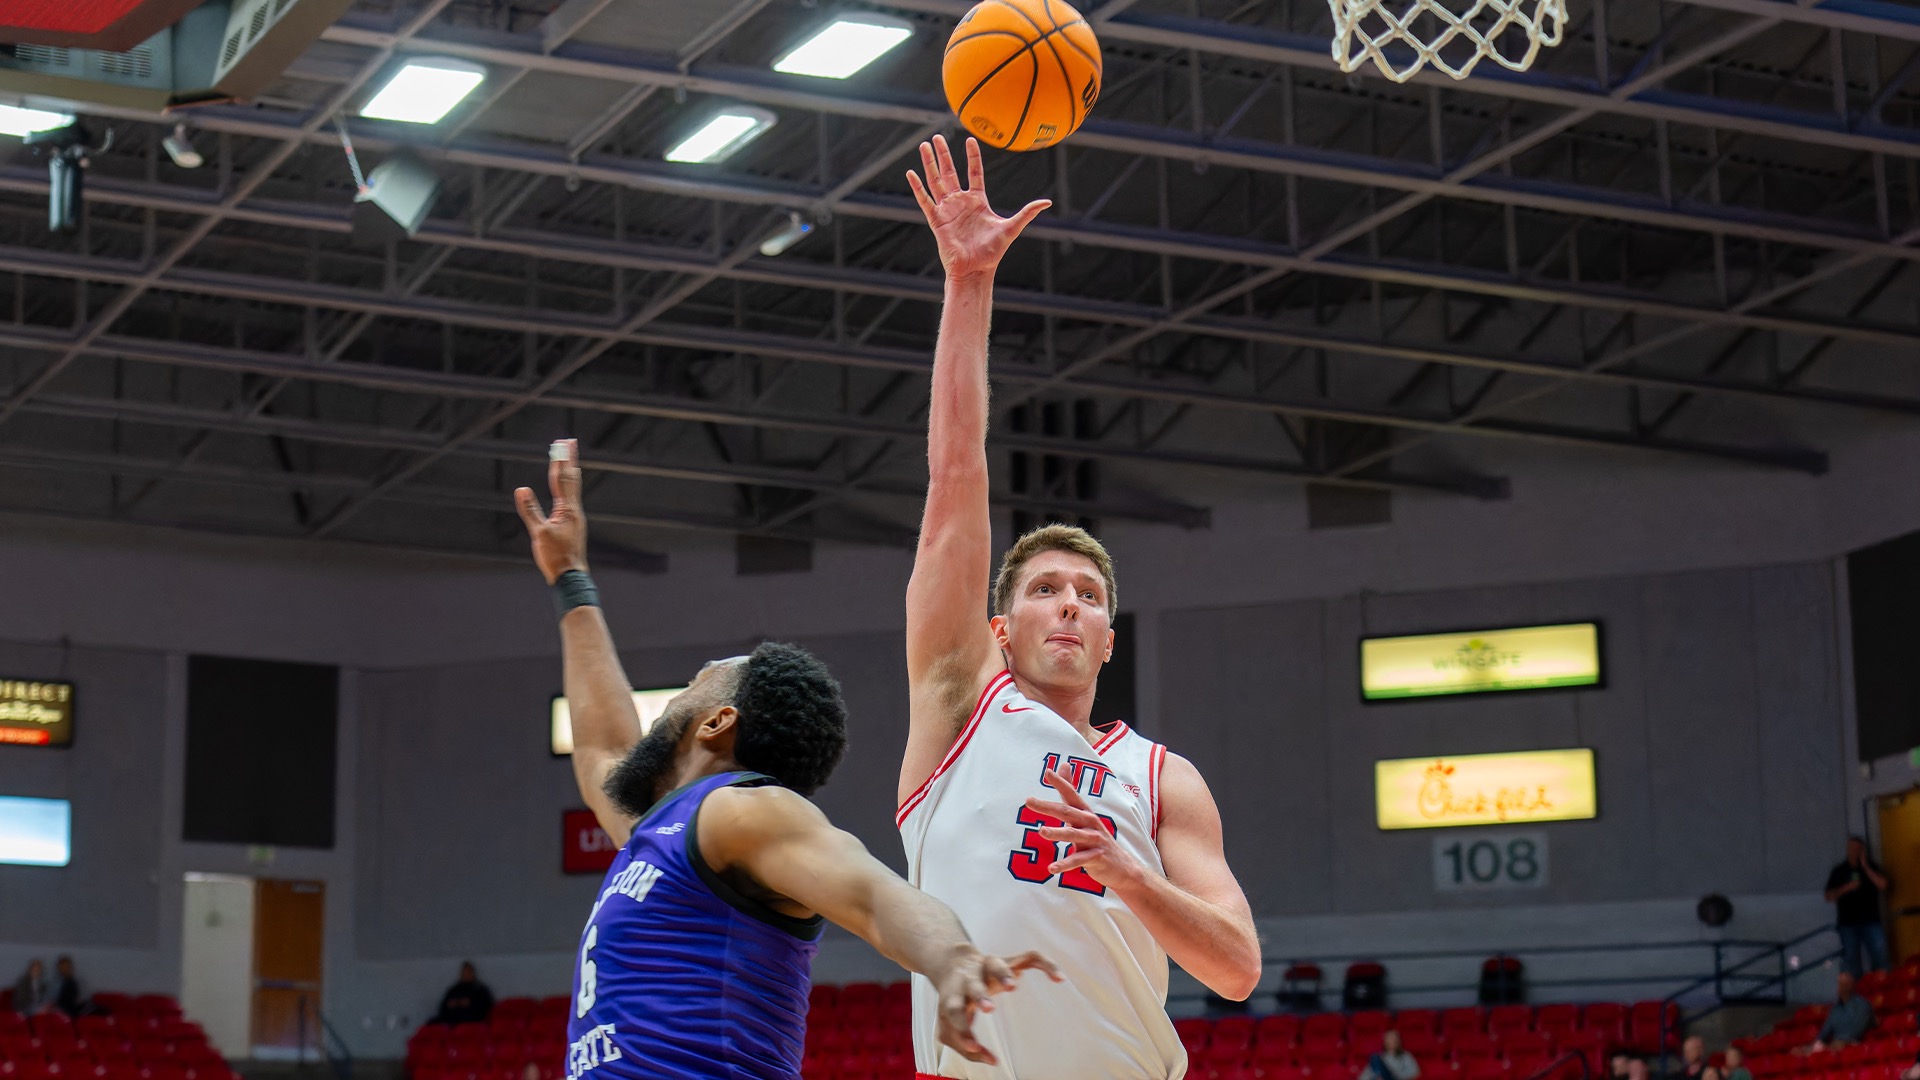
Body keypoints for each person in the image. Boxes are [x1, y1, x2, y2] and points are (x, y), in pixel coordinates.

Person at [514, 440, 1059, 1080]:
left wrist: (951, 957)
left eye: (693, 684)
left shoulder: (744, 815)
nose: (664, 708)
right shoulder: (661, 832)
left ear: (717, 723)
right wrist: (570, 578)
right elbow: (601, 747)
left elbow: (873, 895)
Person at [898, 133, 1262, 1079]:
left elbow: (1235, 969)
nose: (1068, 605)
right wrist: (969, 283)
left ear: (1108, 641)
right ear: (999, 629)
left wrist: (1130, 874)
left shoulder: (1163, 781)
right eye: (1044, 590)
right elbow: (955, 478)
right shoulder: (955, 709)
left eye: (1089, 596)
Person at [1826, 837, 1891, 977]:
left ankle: (1880, 989)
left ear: (1862, 850)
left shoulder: (1871, 867)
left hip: (1871, 921)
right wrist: (1847, 888)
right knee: (1851, 961)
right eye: (1851, 848)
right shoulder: (1839, 871)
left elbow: (1883, 885)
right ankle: (1854, 995)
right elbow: (1829, 896)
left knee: (1880, 955)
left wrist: (1866, 867)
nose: (1854, 851)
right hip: (1848, 923)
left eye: (1857, 849)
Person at [1810, 971, 1875, 1051]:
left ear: (1849, 986)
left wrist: (1840, 1042)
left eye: (1839, 984)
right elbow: (1824, 1032)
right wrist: (1818, 1042)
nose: (1836, 987)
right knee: (1799, 1051)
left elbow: (1856, 1031)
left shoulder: (1862, 1005)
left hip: (1851, 1046)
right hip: (1834, 1045)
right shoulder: (1835, 1009)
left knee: (1837, 1046)